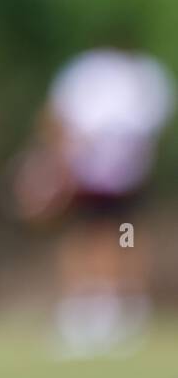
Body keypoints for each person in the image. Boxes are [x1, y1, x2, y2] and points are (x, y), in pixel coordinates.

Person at [12, 46, 174, 357]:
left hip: (124, 173)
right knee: (84, 235)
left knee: (121, 235)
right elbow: (57, 116)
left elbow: (147, 126)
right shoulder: (84, 71)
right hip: (84, 172)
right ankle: (84, 307)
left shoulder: (145, 76)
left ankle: (123, 307)